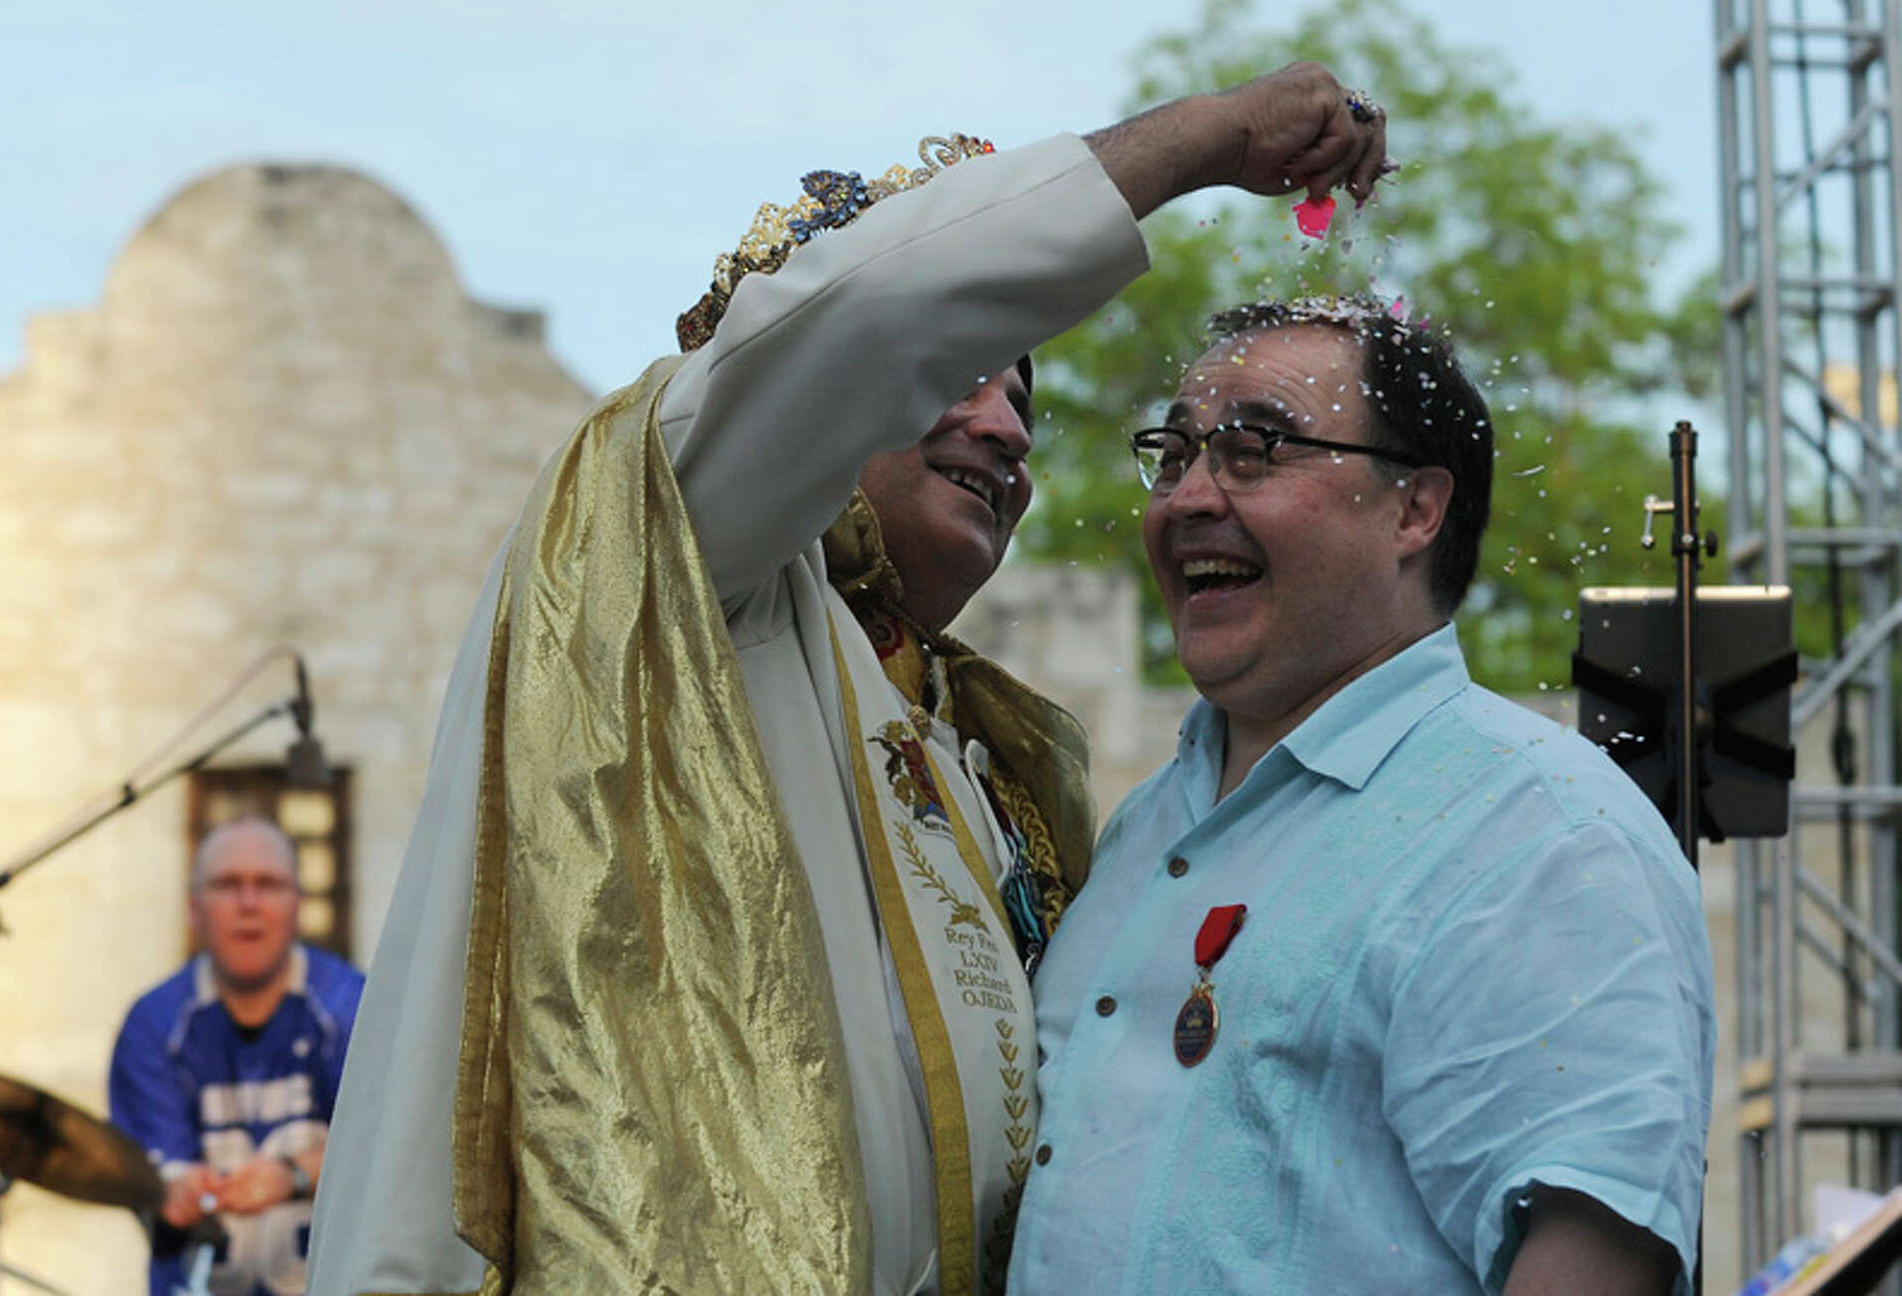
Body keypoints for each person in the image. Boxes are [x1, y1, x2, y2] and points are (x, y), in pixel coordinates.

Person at [305, 65, 1393, 1296]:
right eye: (967, 371)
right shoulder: (677, 545)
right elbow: (870, 316)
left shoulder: (984, 757)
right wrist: (1200, 142)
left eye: (1024, 395)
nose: (1008, 428)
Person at [1005, 297, 1717, 1295]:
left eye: (1255, 448)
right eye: (1173, 454)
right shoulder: (1141, 828)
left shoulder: (1539, 834)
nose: (1189, 496)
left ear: (1414, 511)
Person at [110, 816, 364, 1296]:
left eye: (267, 884)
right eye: (227, 885)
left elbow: (389, 1152)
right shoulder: (153, 1025)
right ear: (193, 908)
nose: (249, 904)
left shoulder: (355, 1009)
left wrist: (291, 1176)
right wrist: (173, 1189)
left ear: (298, 906)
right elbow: (141, 1166)